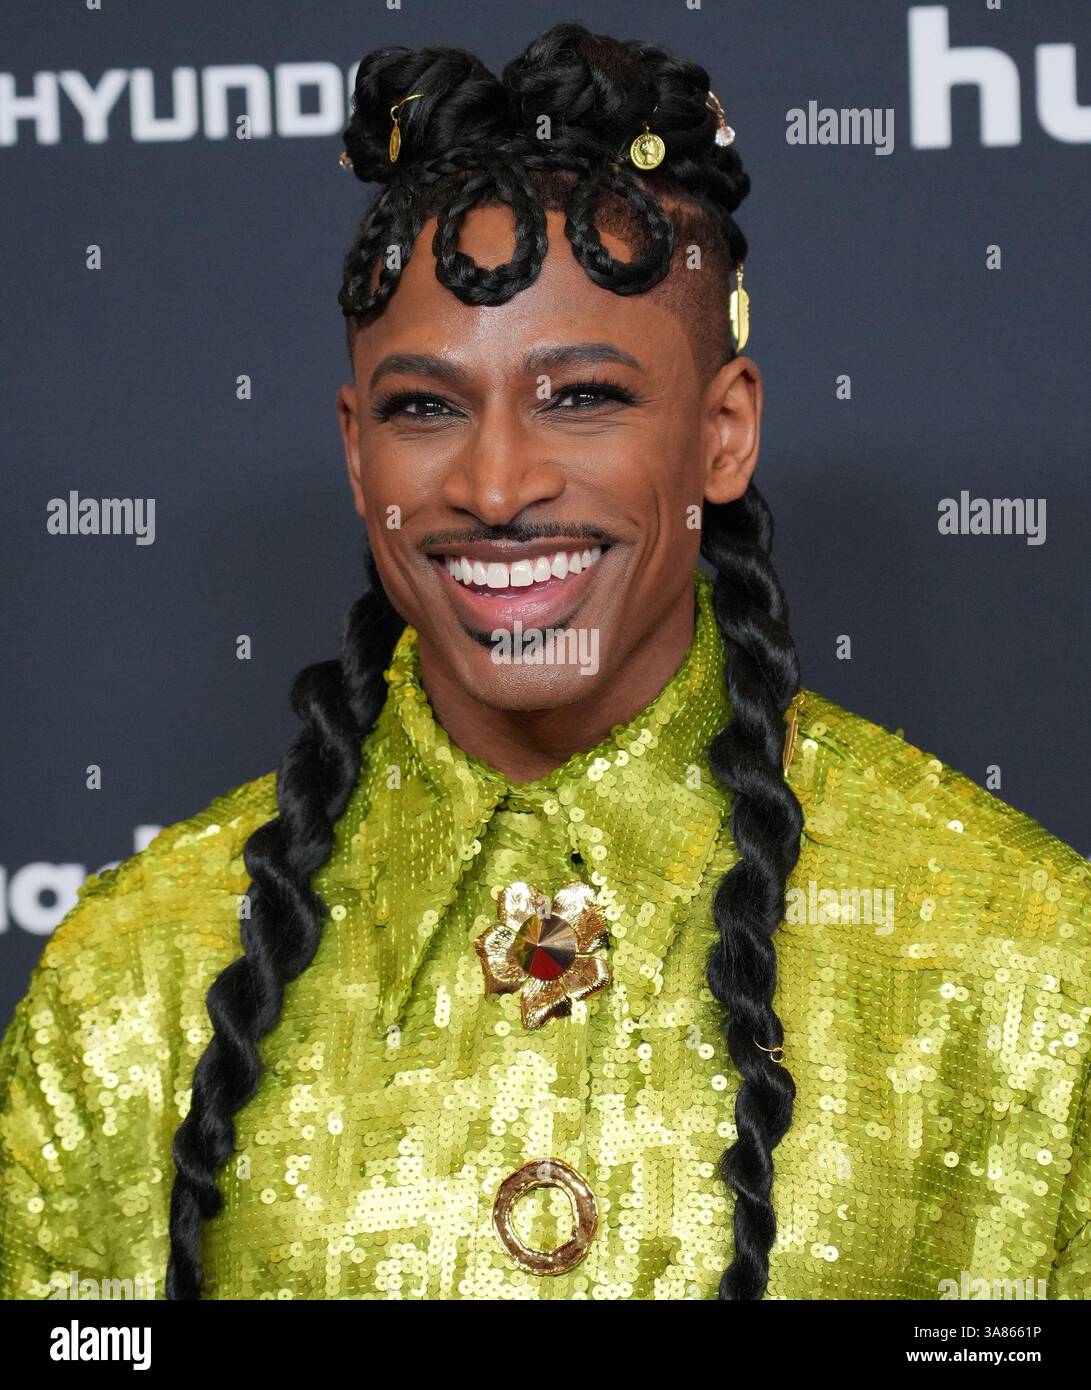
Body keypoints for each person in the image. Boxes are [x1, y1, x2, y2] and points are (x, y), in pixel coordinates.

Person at [1, 23, 1088, 1303]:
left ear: (722, 433)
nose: (498, 484)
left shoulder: (1025, 966)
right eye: (425, 406)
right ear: (358, 454)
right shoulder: (135, 981)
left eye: (581, 395)